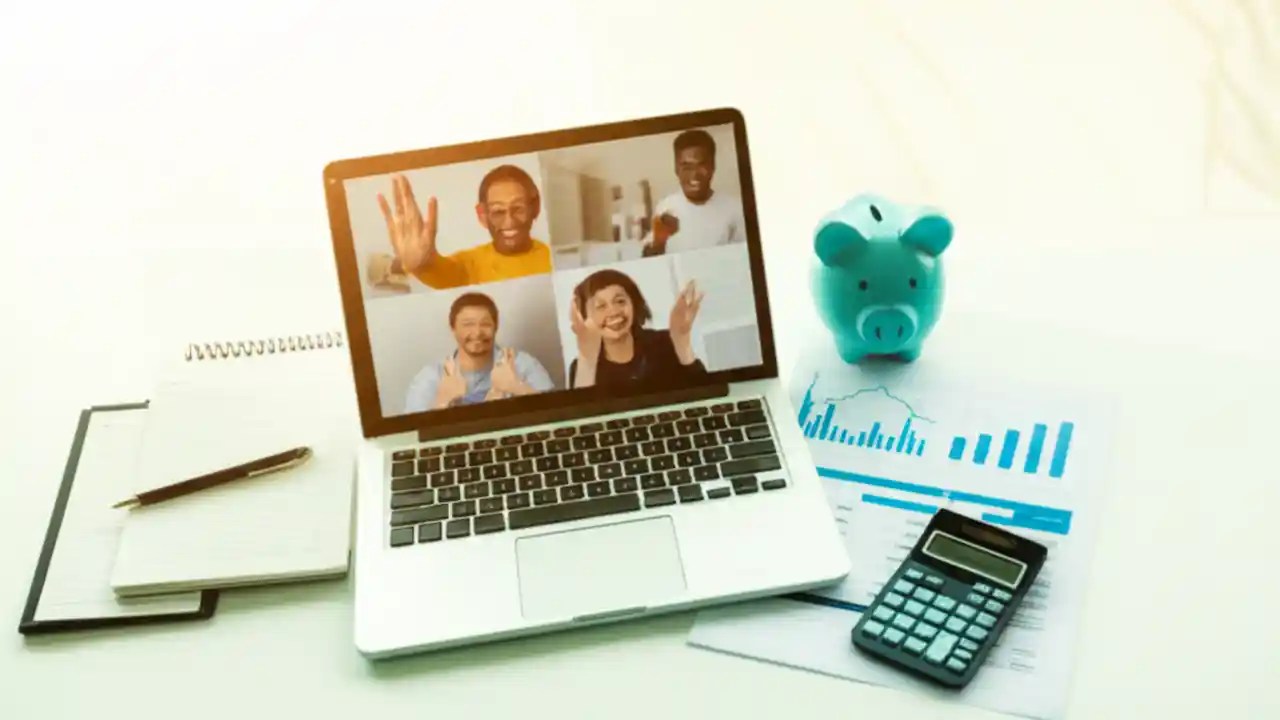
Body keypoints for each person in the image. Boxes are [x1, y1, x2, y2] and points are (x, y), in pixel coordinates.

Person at [377, 164, 552, 289]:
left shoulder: (554, 260)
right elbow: (438, 269)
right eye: (498, 211)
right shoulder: (468, 266)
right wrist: (421, 264)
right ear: (482, 215)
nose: (509, 221)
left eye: (518, 208)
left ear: (534, 209)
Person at [404, 292, 556, 412]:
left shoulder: (522, 364)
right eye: (468, 324)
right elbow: (411, 434)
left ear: (496, 327)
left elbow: (556, 415)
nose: (477, 333)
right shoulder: (431, 376)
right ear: (453, 328)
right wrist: (443, 401)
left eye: (485, 324)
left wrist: (516, 386)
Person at [567, 268, 708, 391]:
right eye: (600, 306)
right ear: (585, 317)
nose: (614, 312)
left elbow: (706, 393)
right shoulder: (582, 365)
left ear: (634, 303)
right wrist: (587, 360)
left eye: (620, 301)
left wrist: (682, 342)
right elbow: (580, 418)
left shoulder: (666, 342)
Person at [641, 129, 748, 256]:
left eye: (701, 165)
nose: (694, 175)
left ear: (713, 166)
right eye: (687, 167)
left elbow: (744, 257)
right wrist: (659, 241)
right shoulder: (666, 207)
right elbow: (648, 261)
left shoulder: (733, 208)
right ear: (676, 169)